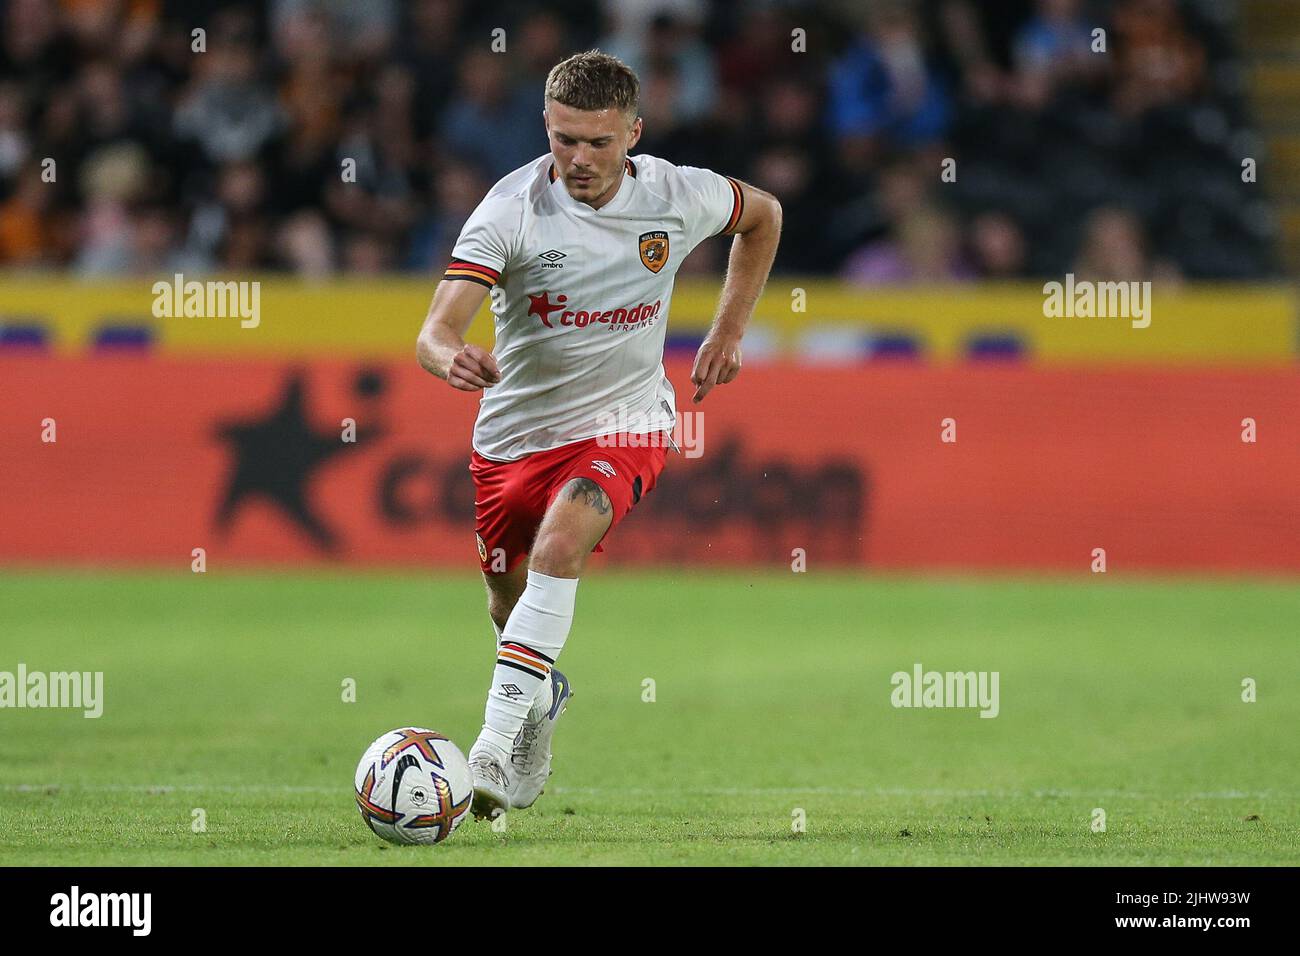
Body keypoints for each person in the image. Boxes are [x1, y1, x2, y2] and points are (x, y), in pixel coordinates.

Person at [416, 50, 782, 820]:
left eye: (599, 143)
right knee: (506, 600)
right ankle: (539, 702)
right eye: (564, 140)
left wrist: (729, 331)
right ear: (546, 129)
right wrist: (454, 357)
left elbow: (765, 216)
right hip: (515, 435)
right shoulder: (510, 209)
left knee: (559, 548)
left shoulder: (676, 194)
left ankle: (489, 742)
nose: (579, 160)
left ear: (634, 134)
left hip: (629, 419)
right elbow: (435, 330)